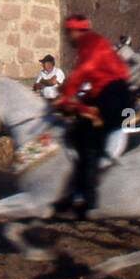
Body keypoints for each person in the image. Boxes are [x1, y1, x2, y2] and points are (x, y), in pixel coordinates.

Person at [54, 15, 132, 214]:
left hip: (115, 95)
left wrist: (66, 95)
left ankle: (88, 197)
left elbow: (84, 71)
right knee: (77, 129)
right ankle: (72, 189)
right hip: (111, 91)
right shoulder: (92, 42)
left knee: (89, 137)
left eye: (67, 32)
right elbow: (97, 76)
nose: (67, 37)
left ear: (74, 31)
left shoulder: (89, 43)